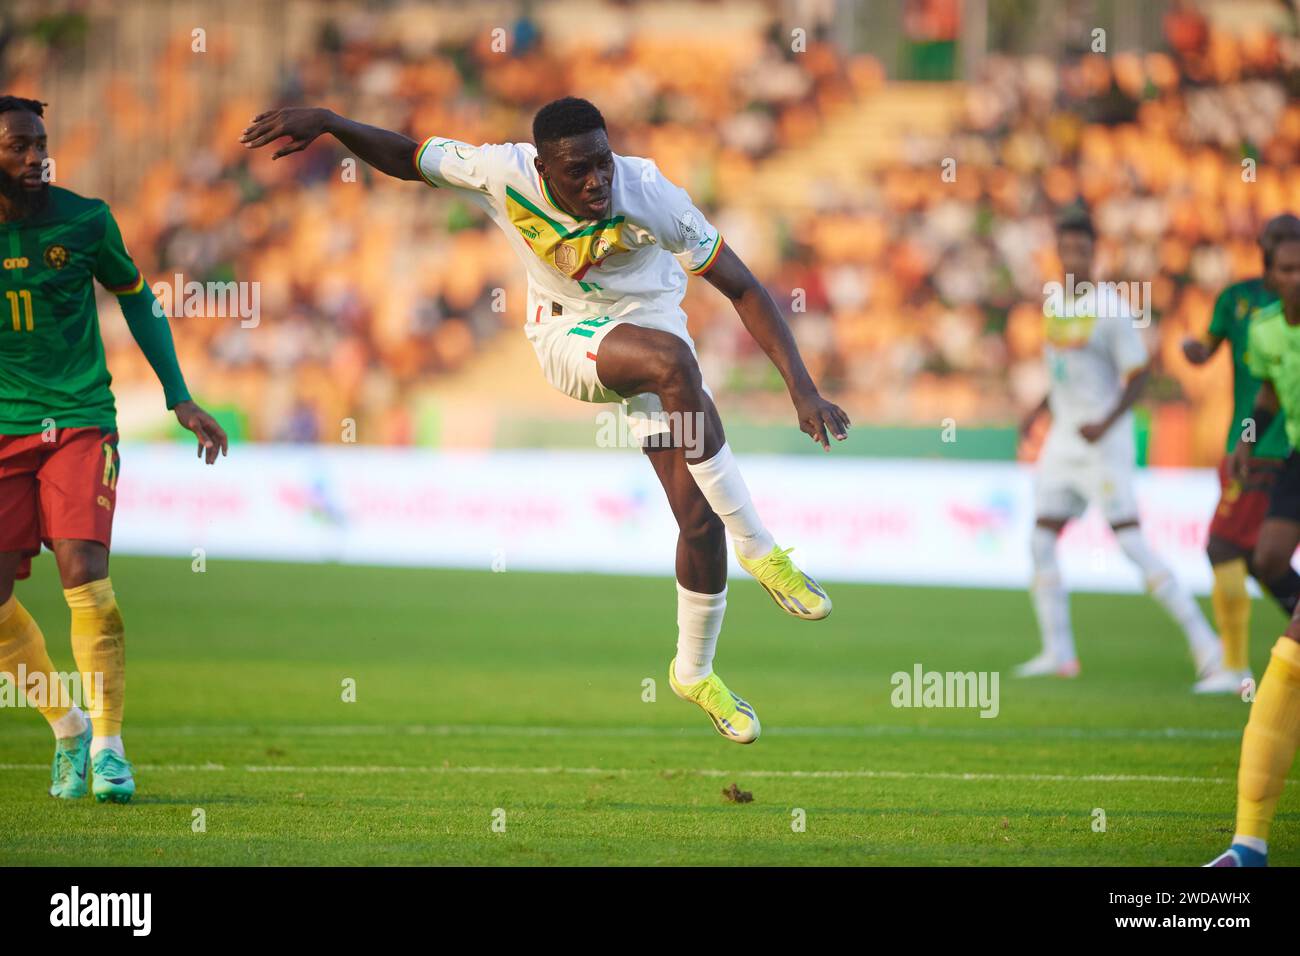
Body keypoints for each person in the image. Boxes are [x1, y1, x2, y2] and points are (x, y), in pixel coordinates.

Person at [241, 96, 849, 745]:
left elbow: (745, 287)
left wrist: (802, 388)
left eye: (603, 163)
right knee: (674, 365)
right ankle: (760, 547)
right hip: (567, 335)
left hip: (649, 327)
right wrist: (334, 123)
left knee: (698, 521)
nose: (596, 182)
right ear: (542, 168)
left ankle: (693, 672)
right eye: (577, 171)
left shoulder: (650, 192)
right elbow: (407, 158)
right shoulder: (498, 171)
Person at [0, 96, 228, 802]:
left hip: (78, 418)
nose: (36, 157)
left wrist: (179, 395)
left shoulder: (86, 219)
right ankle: (66, 726)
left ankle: (108, 747)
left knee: (83, 572)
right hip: (5, 428)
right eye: (17, 146)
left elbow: (138, 299)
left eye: (40, 144)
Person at [1018, 207, 1227, 687]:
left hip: (1103, 445)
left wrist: (1105, 422)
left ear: (1095, 252)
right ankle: (1059, 653)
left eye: (1082, 249)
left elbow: (1138, 378)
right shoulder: (1055, 306)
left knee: (1132, 544)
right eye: (1066, 248)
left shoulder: (1111, 307)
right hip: (1063, 442)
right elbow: (1065, 377)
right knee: (1040, 539)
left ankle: (1209, 649)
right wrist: (1037, 411)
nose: (1074, 257)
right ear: (1058, 252)